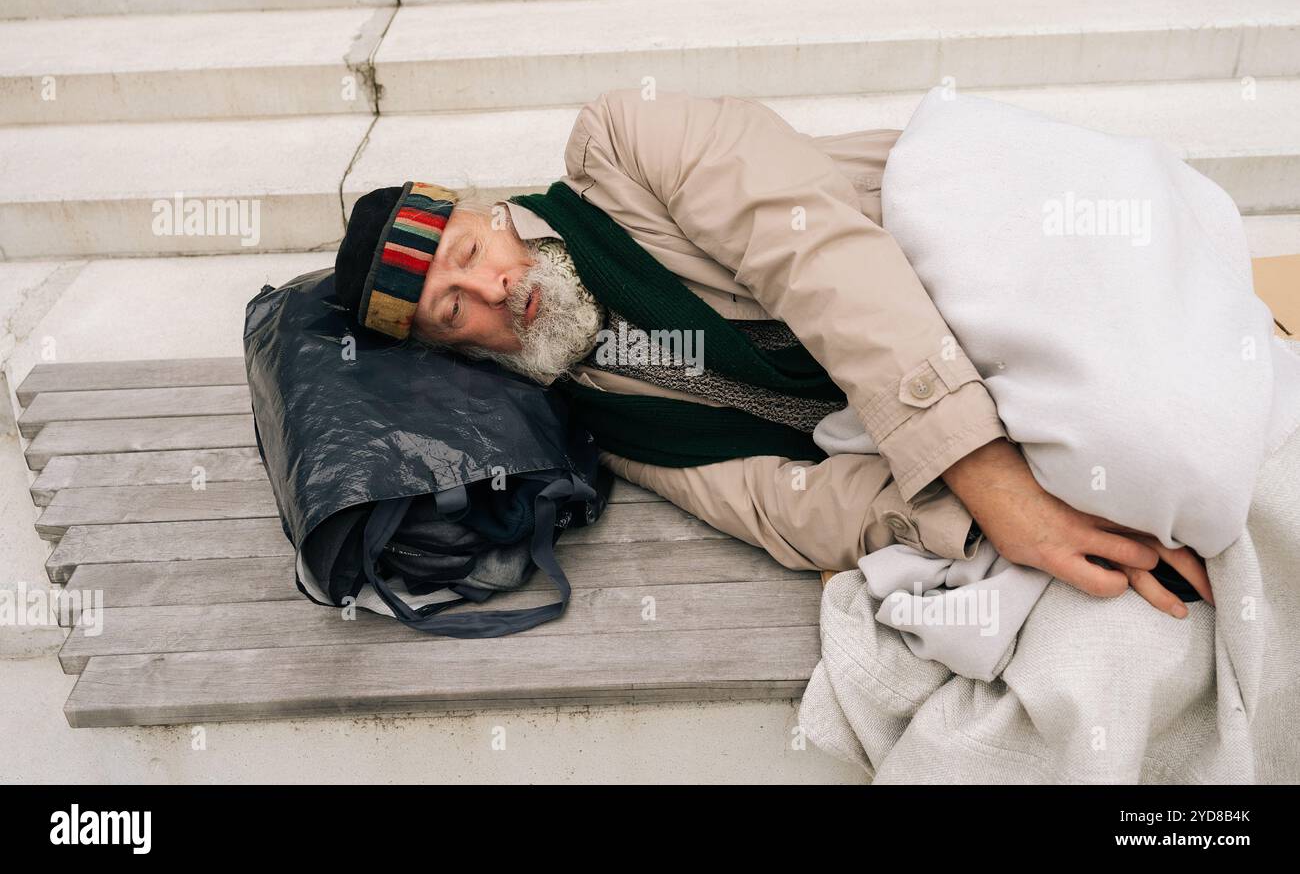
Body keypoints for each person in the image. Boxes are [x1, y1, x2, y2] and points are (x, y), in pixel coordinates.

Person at [333, 88, 1211, 618]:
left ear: (487, 213)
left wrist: (993, 477)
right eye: (454, 311)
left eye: (469, 257)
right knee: (1122, 586)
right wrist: (970, 523)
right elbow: (776, 502)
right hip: (966, 422)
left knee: (1168, 448)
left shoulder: (623, 146)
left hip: (1013, 244)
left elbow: (821, 261)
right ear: (457, 352)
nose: (491, 292)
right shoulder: (605, 418)